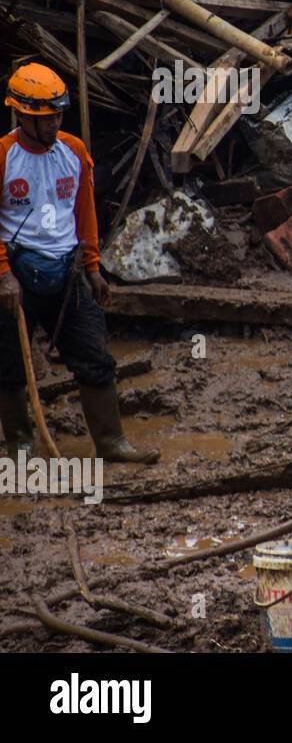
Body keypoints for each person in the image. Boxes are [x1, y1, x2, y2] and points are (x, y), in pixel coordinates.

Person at [0, 63, 157, 464]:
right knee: (9, 364)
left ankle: (111, 442)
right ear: (22, 116)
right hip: (16, 273)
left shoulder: (74, 151)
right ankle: (20, 443)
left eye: (57, 116)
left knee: (95, 356)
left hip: (66, 270)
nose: (53, 124)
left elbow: (84, 213)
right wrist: (3, 274)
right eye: (44, 118)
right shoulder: (3, 156)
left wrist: (92, 267)